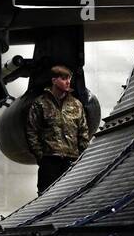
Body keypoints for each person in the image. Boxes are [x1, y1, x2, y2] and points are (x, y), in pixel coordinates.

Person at [25, 64, 91, 195]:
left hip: (71, 161)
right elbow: (32, 130)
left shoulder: (76, 104)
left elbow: (83, 132)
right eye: (64, 78)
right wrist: (41, 156)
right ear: (54, 80)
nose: (68, 82)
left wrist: (82, 158)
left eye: (69, 78)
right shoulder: (40, 103)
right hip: (49, 161)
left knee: (71, 196)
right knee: (46, 196)